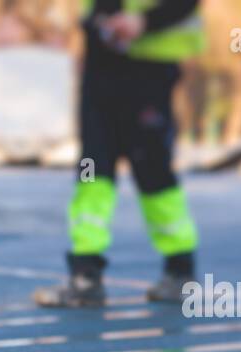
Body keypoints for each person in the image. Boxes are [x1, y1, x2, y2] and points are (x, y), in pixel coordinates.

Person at [34, 0, 205, 308]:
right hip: (101, 65)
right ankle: (85, 273)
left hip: (149, 66)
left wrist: (144, 21)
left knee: (153, 170)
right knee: (91, 167)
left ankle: (181, 270)